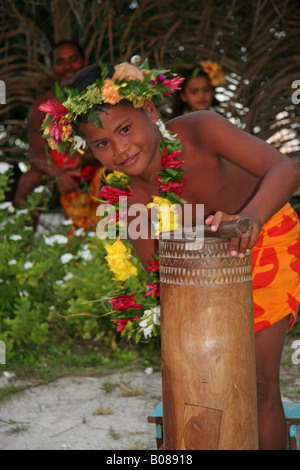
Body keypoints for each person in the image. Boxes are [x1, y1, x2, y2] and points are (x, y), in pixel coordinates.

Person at [38, 60, 300, 450]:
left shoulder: (201, 130)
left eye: (125, 129)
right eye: (102, 143)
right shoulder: (125, 196)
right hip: (195, 270)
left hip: (267, 238)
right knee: (197, 377)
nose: (120, 149)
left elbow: (285, 168)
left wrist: (250, 218)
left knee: (256, 380)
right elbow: (157, 270)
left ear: (150, 110)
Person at [14, 40, 103, 229]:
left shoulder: (102, 96)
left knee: (117, 171)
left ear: (85, 61)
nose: (68, 66)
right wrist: (59, 174)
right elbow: (37, 155)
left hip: (96, 163)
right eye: (60, 62)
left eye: (73, 59)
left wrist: (85, 159)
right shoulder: (42, 105)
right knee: (29, 180)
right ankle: (20, 242)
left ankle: (120, 236)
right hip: (59, 170)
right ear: (53, 68)